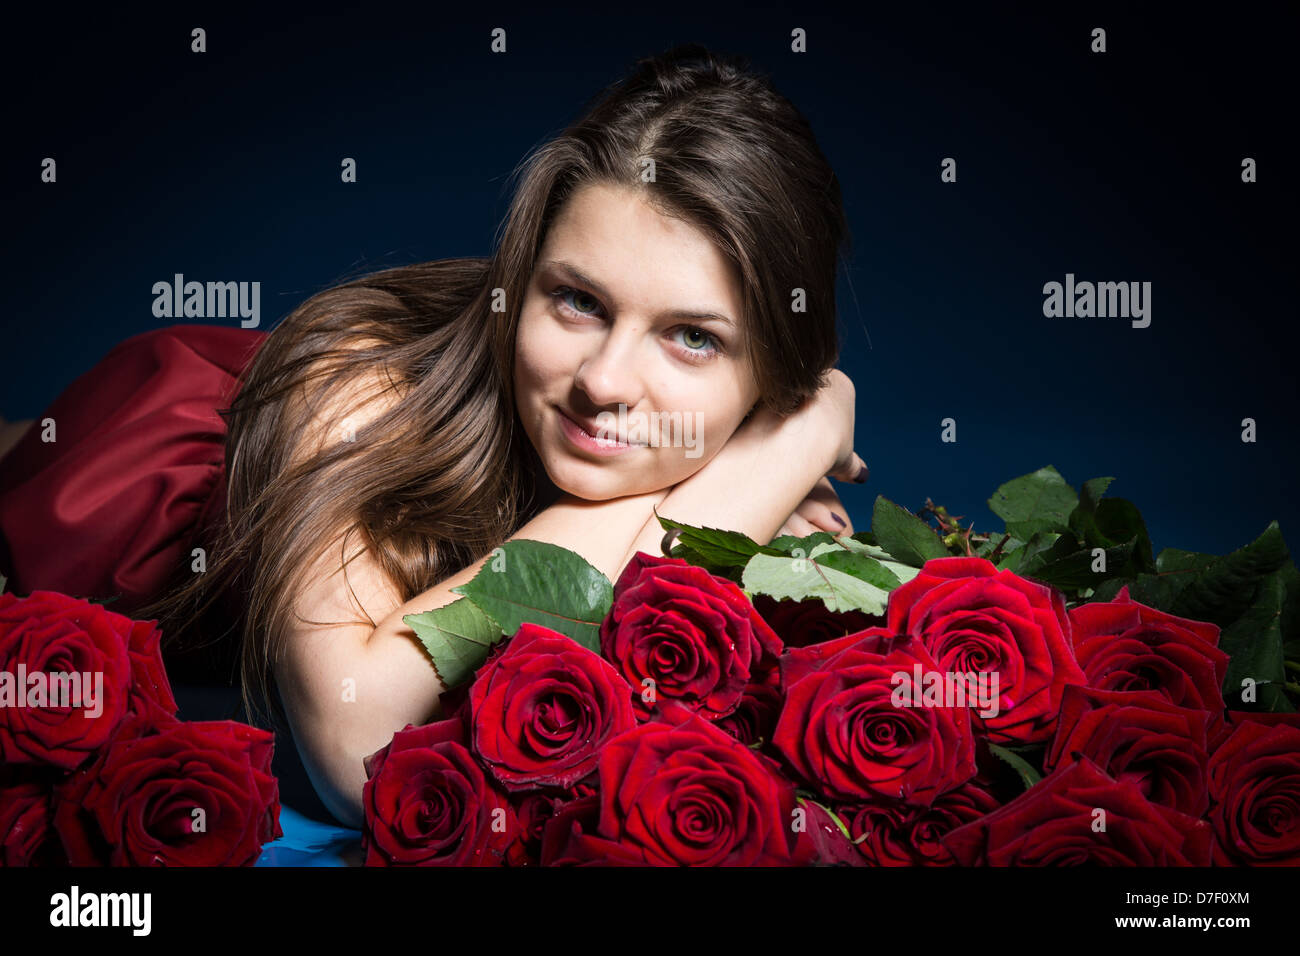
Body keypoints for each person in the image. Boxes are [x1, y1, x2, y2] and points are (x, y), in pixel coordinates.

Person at [0, 44, 869, 829]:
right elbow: (354, 755)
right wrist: (787, 449)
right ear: (522, 277)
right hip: (134, 464)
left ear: (775, 378)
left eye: (692, 337)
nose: (603, 382)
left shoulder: (724, 453)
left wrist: (749, 475)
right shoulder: (355, 390)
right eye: (577, 300)